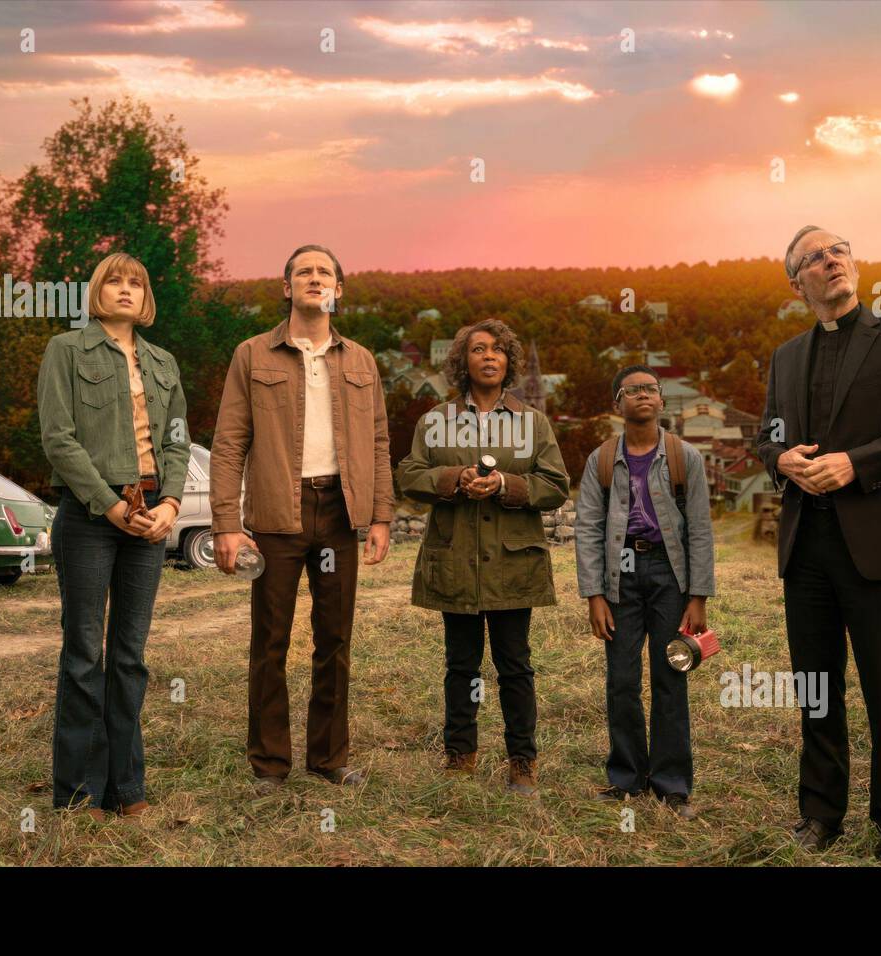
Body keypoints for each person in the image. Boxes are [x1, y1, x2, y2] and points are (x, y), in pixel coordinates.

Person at [755, 226, 881, 866]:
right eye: (816, 257)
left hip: (875, 540)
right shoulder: (786, 356)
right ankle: (820, 815)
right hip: (805, 545)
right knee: (816, 686)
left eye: (839, 249)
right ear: (799, 284)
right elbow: (768, 435)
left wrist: (857, 464)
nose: (832, 259)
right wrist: (779, 457)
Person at [210, 244, 392, 793]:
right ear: (286, 287)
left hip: (339, 512)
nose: (315, 279)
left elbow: (380, 442)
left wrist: (381, 515)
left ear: (338, 289)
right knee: (270, 640)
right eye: (304, 272)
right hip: (274, 515)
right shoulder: (252, 354)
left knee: (334, 639)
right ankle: (269, 764)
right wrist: (225, 523)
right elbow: (227, 443)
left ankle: (329, 759)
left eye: (325, 272)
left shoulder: (361, 360)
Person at [38, 252, 189, 820]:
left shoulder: (163, 361)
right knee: (84, 653)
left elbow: (176, 441)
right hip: (88, 518)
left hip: (148, 516)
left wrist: (170, 502)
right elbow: (58, 438)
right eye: (114, 281)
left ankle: (126, 789)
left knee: (129, 656)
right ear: (97, 291)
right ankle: (78, 792)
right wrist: (106, 505)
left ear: (146, 298)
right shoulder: (66, 350)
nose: (125, 290)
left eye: (136, 283)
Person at [395, 319, 570, 797]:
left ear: (509, 362)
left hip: (514, 562)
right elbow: (408, 475)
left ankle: (522, 761)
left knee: (515, 665)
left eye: (498, 350)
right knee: (461, 665)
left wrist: (506, 486)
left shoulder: (533, 422)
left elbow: (556, 486)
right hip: (457, 560)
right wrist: (453, 478)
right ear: (463, 361)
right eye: (478, 349)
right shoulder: (436, 419)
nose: (489, 356)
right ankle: (460, 755)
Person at [574, 365, 714, 820]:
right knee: (621, 680)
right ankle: (627, 779)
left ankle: (673, 785)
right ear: (617, 403)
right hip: (620, 576)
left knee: (670, 677)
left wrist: (698, 595)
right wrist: (594, 594)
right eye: (631, 390)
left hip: (668, 573)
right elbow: (589, 529)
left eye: (650, 389)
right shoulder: (600, 460)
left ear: (661, 400)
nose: (642, 396)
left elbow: (700, 529)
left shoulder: (683, 457)